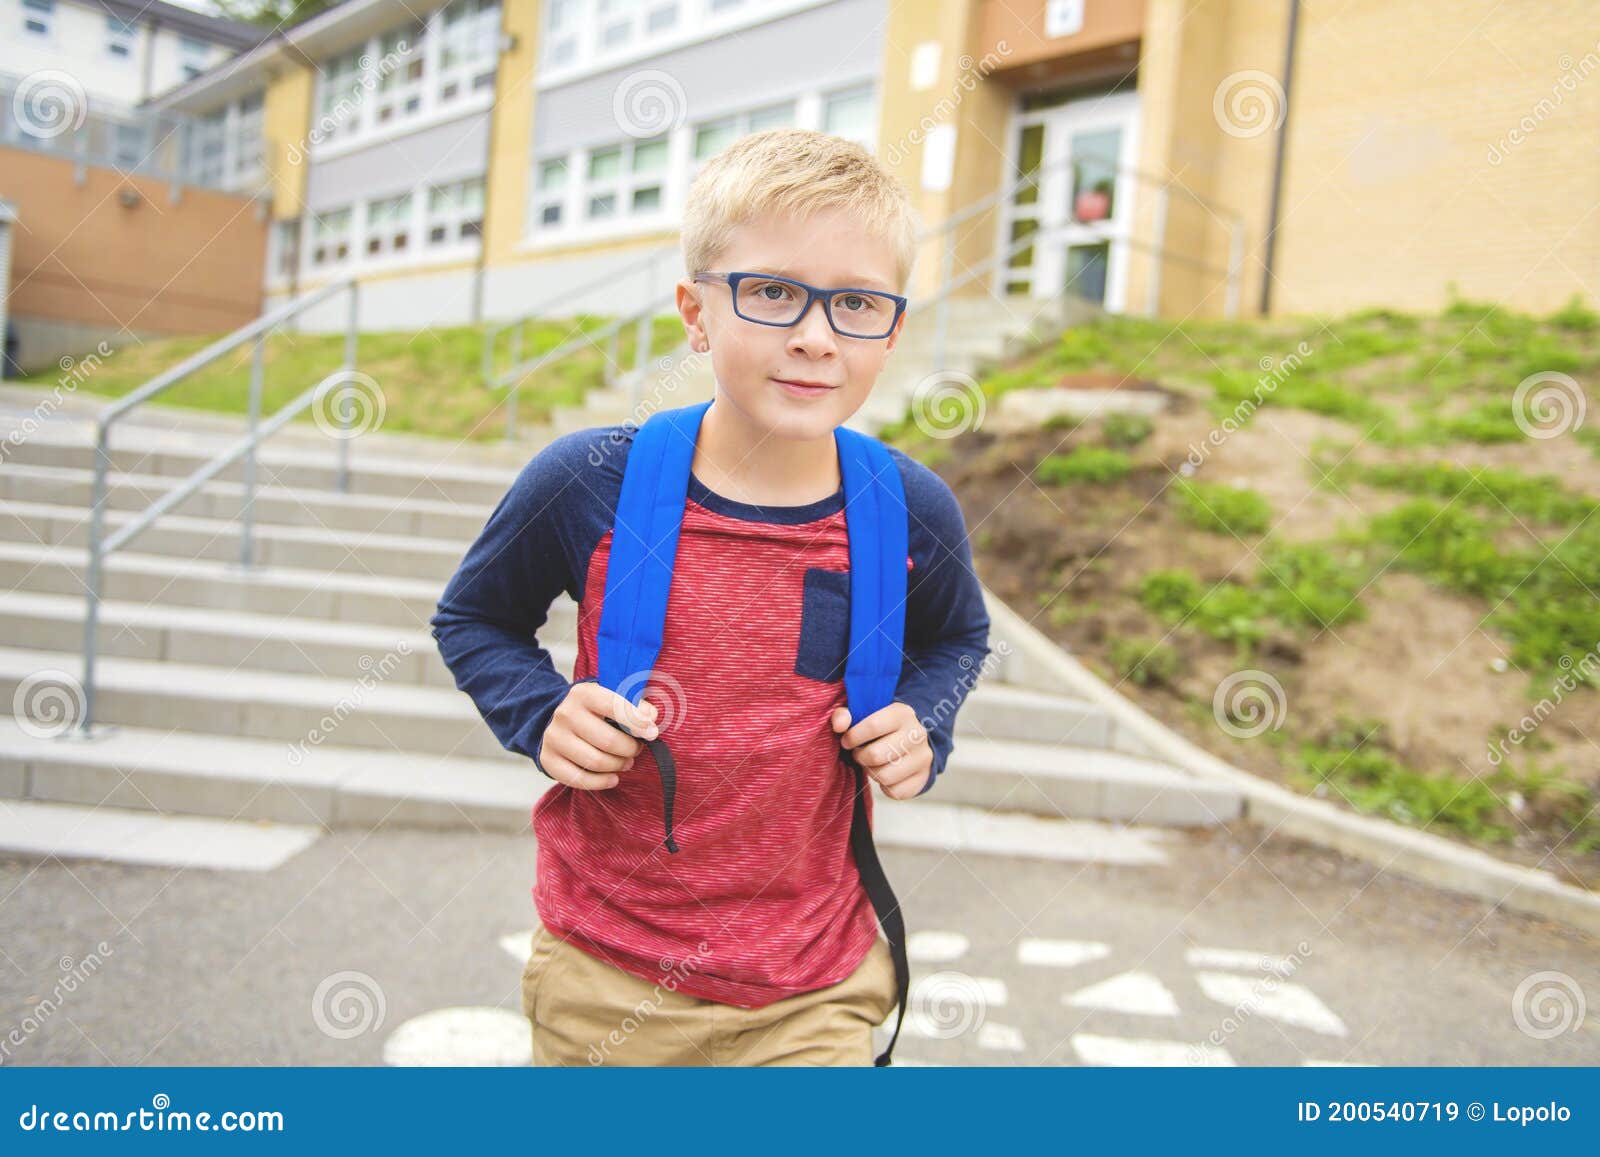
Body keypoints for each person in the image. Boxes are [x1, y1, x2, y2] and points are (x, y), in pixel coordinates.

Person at [430, 128, 992, 1066]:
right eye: (774, 293)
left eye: (856, 303)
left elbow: (958, 639)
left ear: (892, 331)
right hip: (605, 982)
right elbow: (475, 617)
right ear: (697, 312)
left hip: (818, 991)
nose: (816, 335)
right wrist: (541, 714)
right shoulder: (588, 482)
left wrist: (923, 722)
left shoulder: (911, 509)